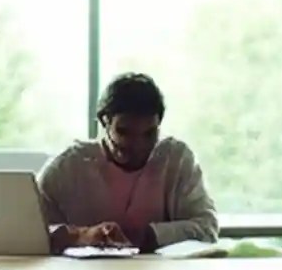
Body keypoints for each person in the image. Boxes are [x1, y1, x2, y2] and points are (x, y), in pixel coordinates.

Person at [37, 72, 219, 253]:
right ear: (104, 122)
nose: (137, 145)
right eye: (124, 132)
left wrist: (149, 235)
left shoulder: (177, 161)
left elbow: (207, 228)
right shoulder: (65, 168)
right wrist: (83, 236)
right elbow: (30, 234)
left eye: (149, 134)